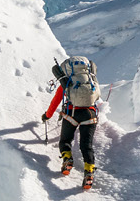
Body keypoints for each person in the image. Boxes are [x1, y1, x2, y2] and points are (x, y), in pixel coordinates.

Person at [42, 56, 100, 189]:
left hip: (71, 114)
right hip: (90, 115)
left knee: (65, 141)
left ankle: (67, 159)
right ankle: (89, 172)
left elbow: (55, 102)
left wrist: (47, 116)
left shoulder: (67, 83)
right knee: (86, 146)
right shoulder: (90, 80)